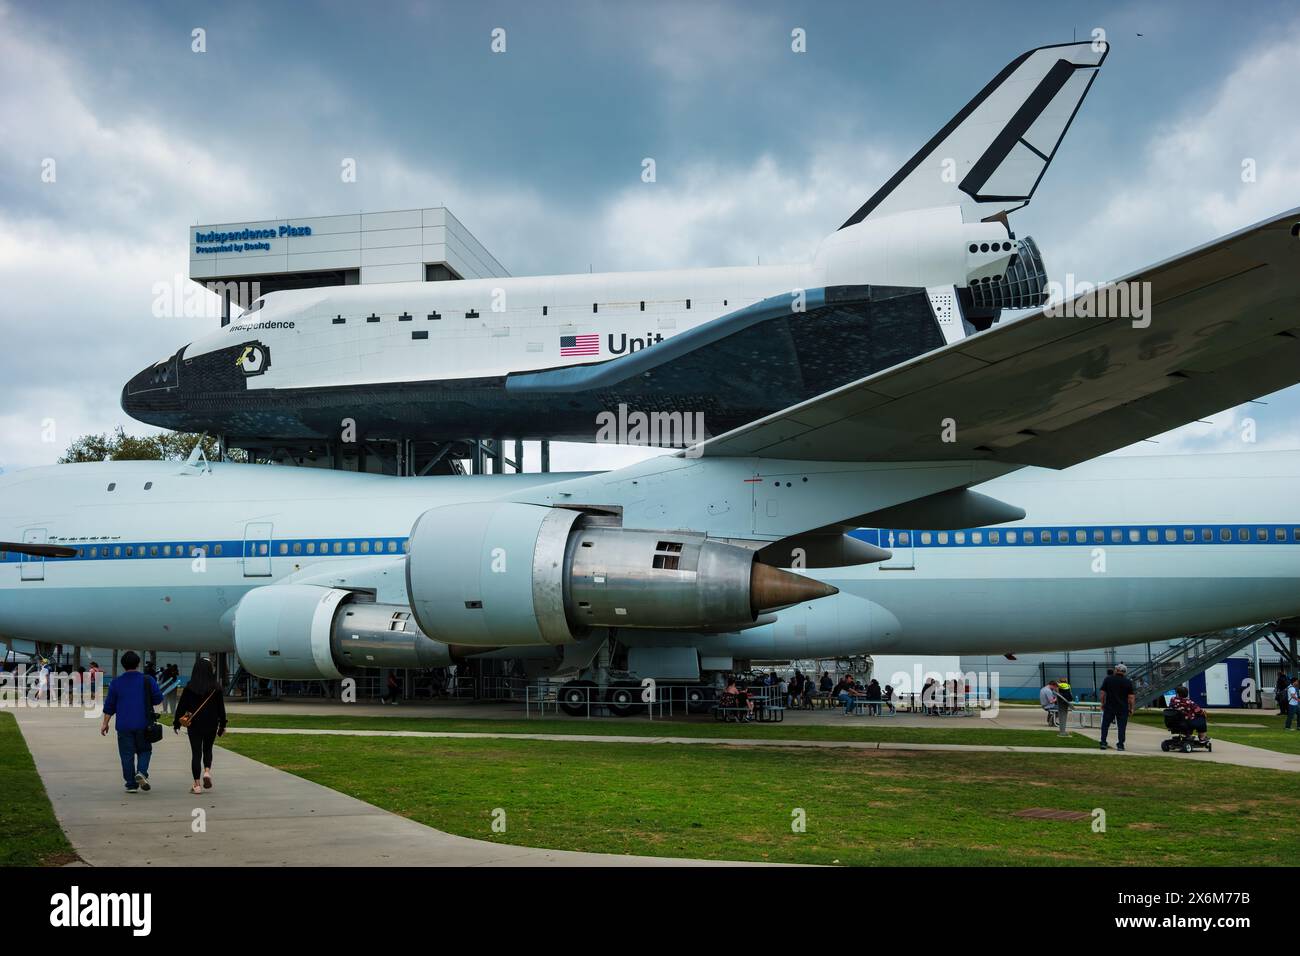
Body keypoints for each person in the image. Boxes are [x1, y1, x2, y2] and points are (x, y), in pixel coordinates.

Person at [100, 651, 163, 793]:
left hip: (124, 725)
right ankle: (141, 772)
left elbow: (109, 706)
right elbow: (158, 699)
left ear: (123, 665)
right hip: (143, 723)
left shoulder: (116, 683)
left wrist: (105, 723)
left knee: (126, 754)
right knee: (145, 750)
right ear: (138, 663)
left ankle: (131, 783)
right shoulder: (148, 680)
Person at [174, 658, 228, 794]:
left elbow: (181, 707)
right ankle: (207, 771)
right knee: (208, 749)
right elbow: (221, 709)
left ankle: (197, 784)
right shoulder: (216, 689)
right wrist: (222, 725)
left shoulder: (189, 688)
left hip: (195, 724)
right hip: (211, 723)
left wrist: (176, 723)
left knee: (196, 753)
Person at [1098, 663, 1136, 751]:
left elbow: (1103, 693)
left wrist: (1102, 703)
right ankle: (1120, 744)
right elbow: (1131, 697)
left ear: (1116, 670)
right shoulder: (1127, 682)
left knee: (1105, 725)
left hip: (1110, 706)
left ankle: (1103, 742)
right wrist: (1131, 708)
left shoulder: (1108, 679)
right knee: (1121, 726)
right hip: (1122, 708)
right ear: (1125, 672)